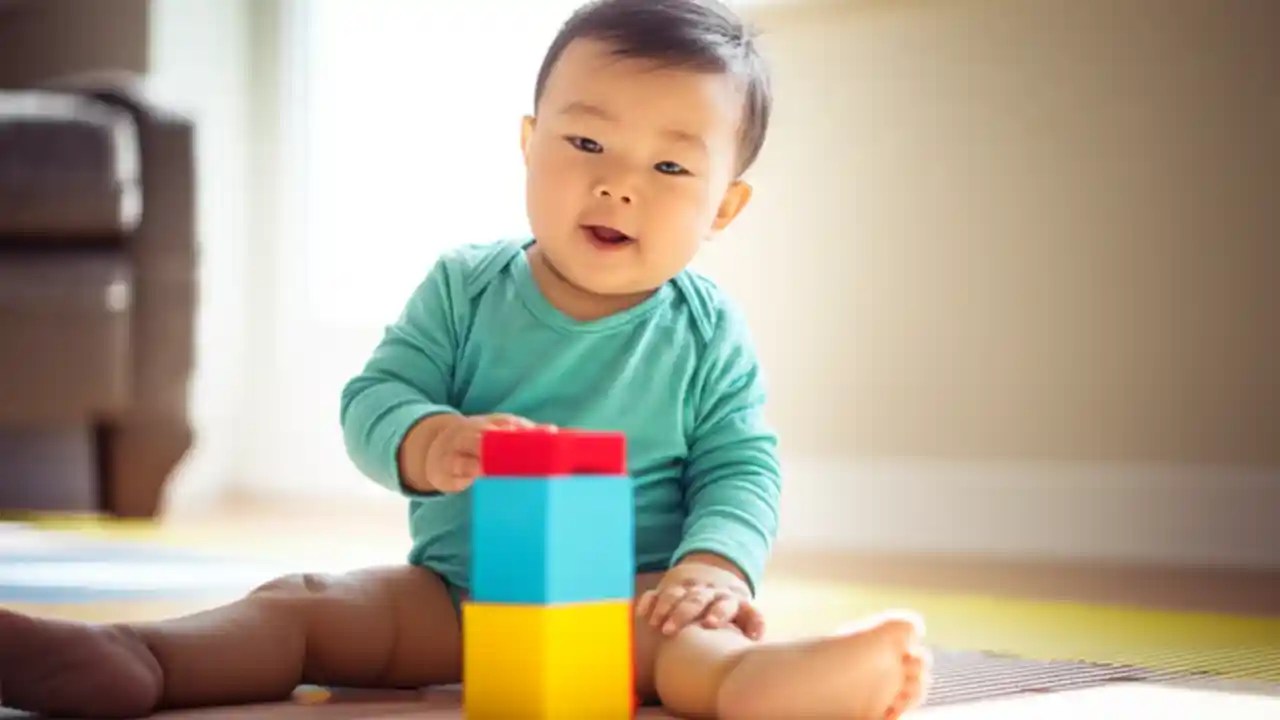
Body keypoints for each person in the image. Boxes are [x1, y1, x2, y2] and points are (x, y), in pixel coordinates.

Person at [0, 1, 930, 717]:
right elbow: (376, 397)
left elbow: (741, 464)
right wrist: (428, 437)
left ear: (724, 208)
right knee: (305, 603)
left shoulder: (704, 327)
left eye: (672, 168)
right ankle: (144, 657)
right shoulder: (463, 288)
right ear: (529, 145)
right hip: (452, 599)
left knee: (696, 644)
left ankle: (766, 687)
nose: (616, 182)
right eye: (586, 141)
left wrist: (714, 569)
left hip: (626, 604)